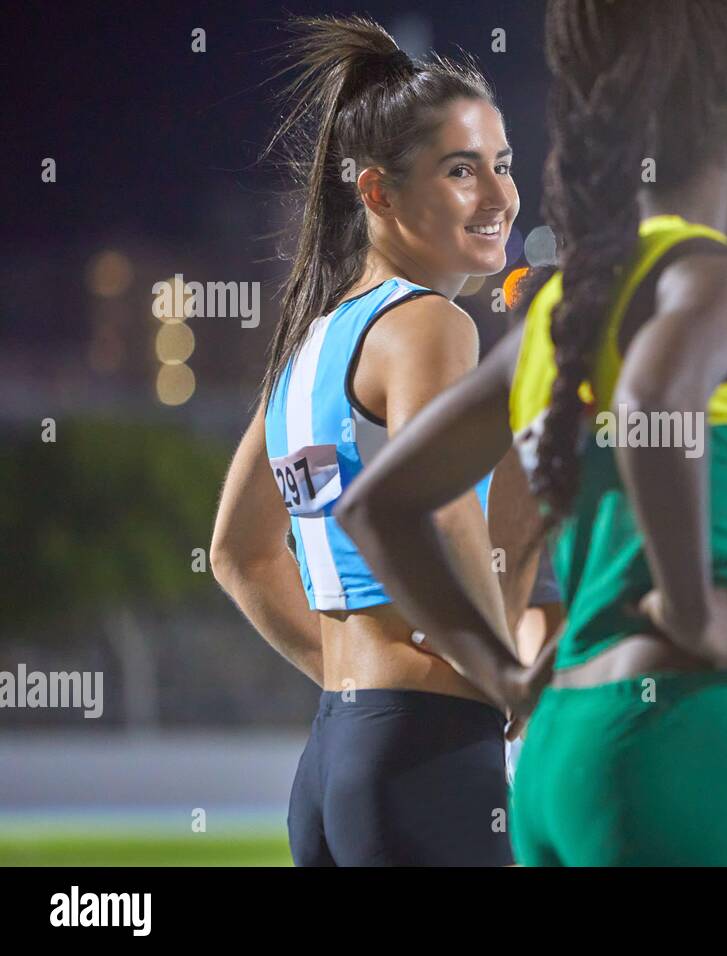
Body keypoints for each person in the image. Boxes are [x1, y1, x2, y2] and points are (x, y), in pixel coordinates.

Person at [337, 0, 727, 866]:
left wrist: (505, 679)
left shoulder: (560, 309)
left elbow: (376, 507)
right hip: (683, 731)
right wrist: (687, 604)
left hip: (561, 750)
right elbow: (651, 400)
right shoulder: (719, 279)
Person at [210, 15, 542, 866]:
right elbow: (435, 510)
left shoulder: (310, 346)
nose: (500, 196)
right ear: (378, 193)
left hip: (336, 758)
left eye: (502, 165)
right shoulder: (429, 322)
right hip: (425, 752)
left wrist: (352, 681)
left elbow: (239, 556)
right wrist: (501, 675)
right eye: (462, 171)